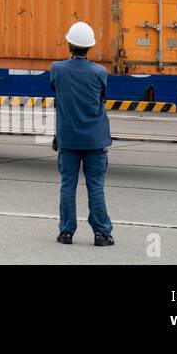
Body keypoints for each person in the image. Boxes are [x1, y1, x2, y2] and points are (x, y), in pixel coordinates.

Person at [49, 22, 115, 247]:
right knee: (95, 185)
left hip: (68, 139)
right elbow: (102, 98)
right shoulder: (100, 72)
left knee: (68, 185)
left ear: (69, 44)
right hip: (95, 139)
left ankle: (66, 232)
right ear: (90, 47)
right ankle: (101, 234)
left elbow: (55, 89)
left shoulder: (57, 69)